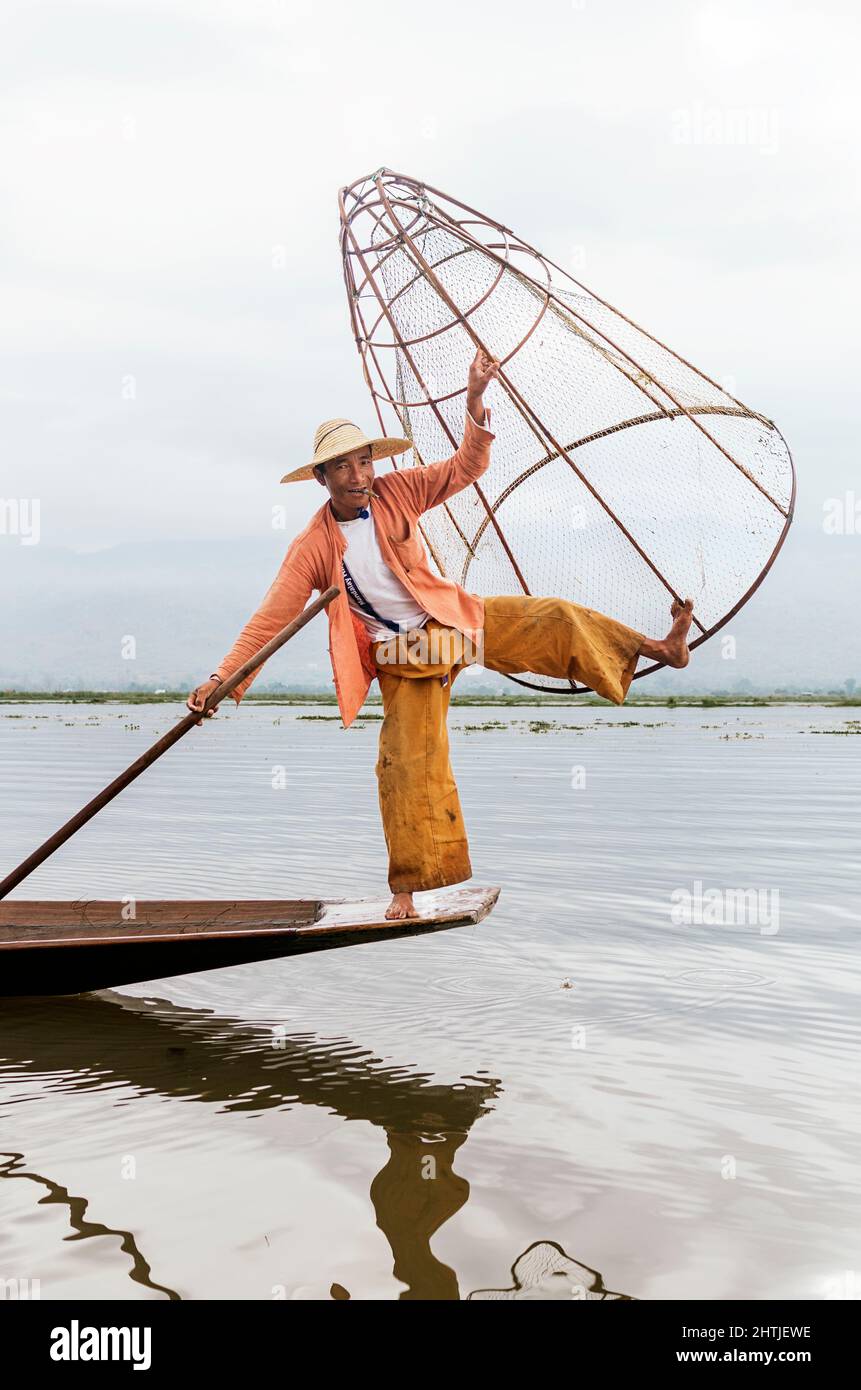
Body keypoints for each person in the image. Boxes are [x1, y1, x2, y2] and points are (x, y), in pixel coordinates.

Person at [188, 349, 694, 919]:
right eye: (345, 468)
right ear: (323, 478)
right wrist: (218, 678)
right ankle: (405, 890)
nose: (359, 477)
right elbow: (270, 620)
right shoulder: (312, 547)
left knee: (551, 617)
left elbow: (464, 469)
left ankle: (661, 648)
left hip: (450, 623)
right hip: (404, 656)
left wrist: (474, 402)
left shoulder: (398, 492)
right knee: (405, 764)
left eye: (364, 463)